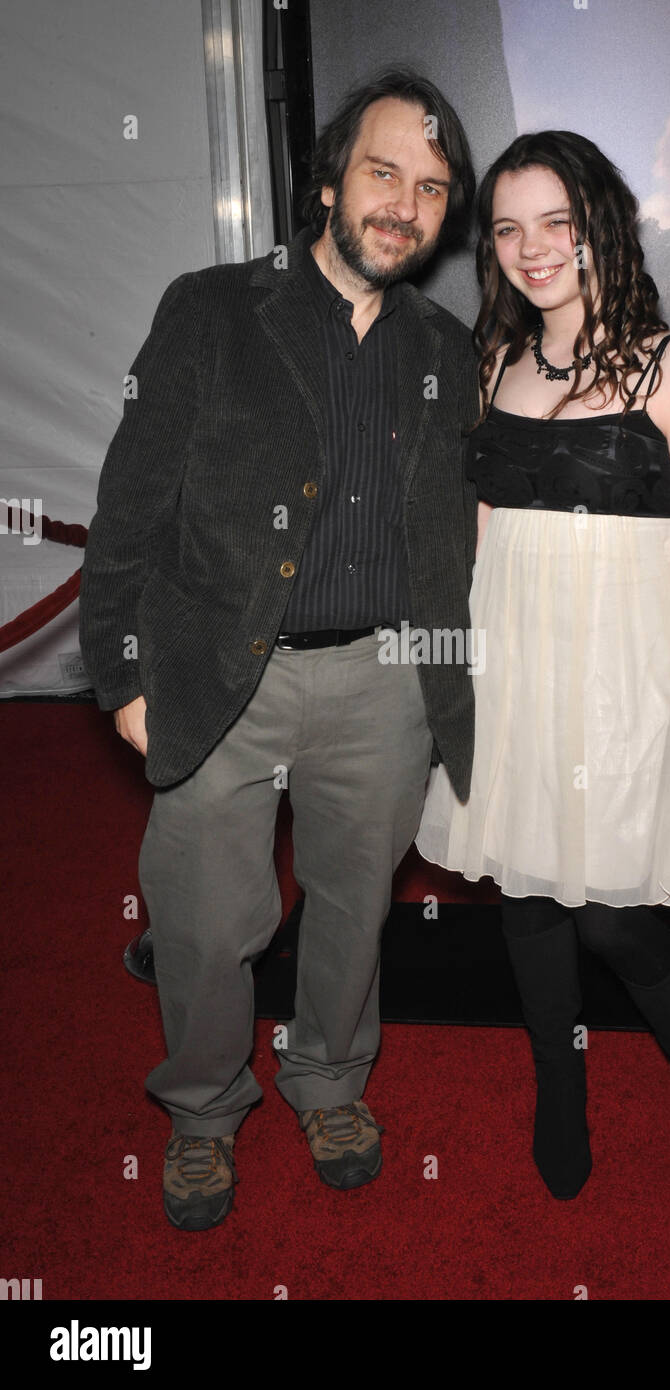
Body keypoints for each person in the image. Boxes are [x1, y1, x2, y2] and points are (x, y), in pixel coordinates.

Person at [79, 68, 478, 1230]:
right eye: (383, 172)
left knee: (354, 905)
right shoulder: (210, 308)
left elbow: (461, 532)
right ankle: (203, 1111)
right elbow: (130, 505)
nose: (403, 204)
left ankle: (328, 1082)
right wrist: (121, 675)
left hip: (382, 681)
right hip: (219, 672)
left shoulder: (447, 350)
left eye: (432, 188)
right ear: (328, 179)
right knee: (205, 920)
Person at [416, 131, 670, 1200]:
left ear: (598, 227)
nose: (532, 250)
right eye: (508, 228)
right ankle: (557, 1088)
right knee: (527, 896)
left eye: (555, 223)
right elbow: (483, 532)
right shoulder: (496, 362)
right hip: (516, 676)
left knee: (617, 912)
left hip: (629, 685)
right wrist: (458, 680)